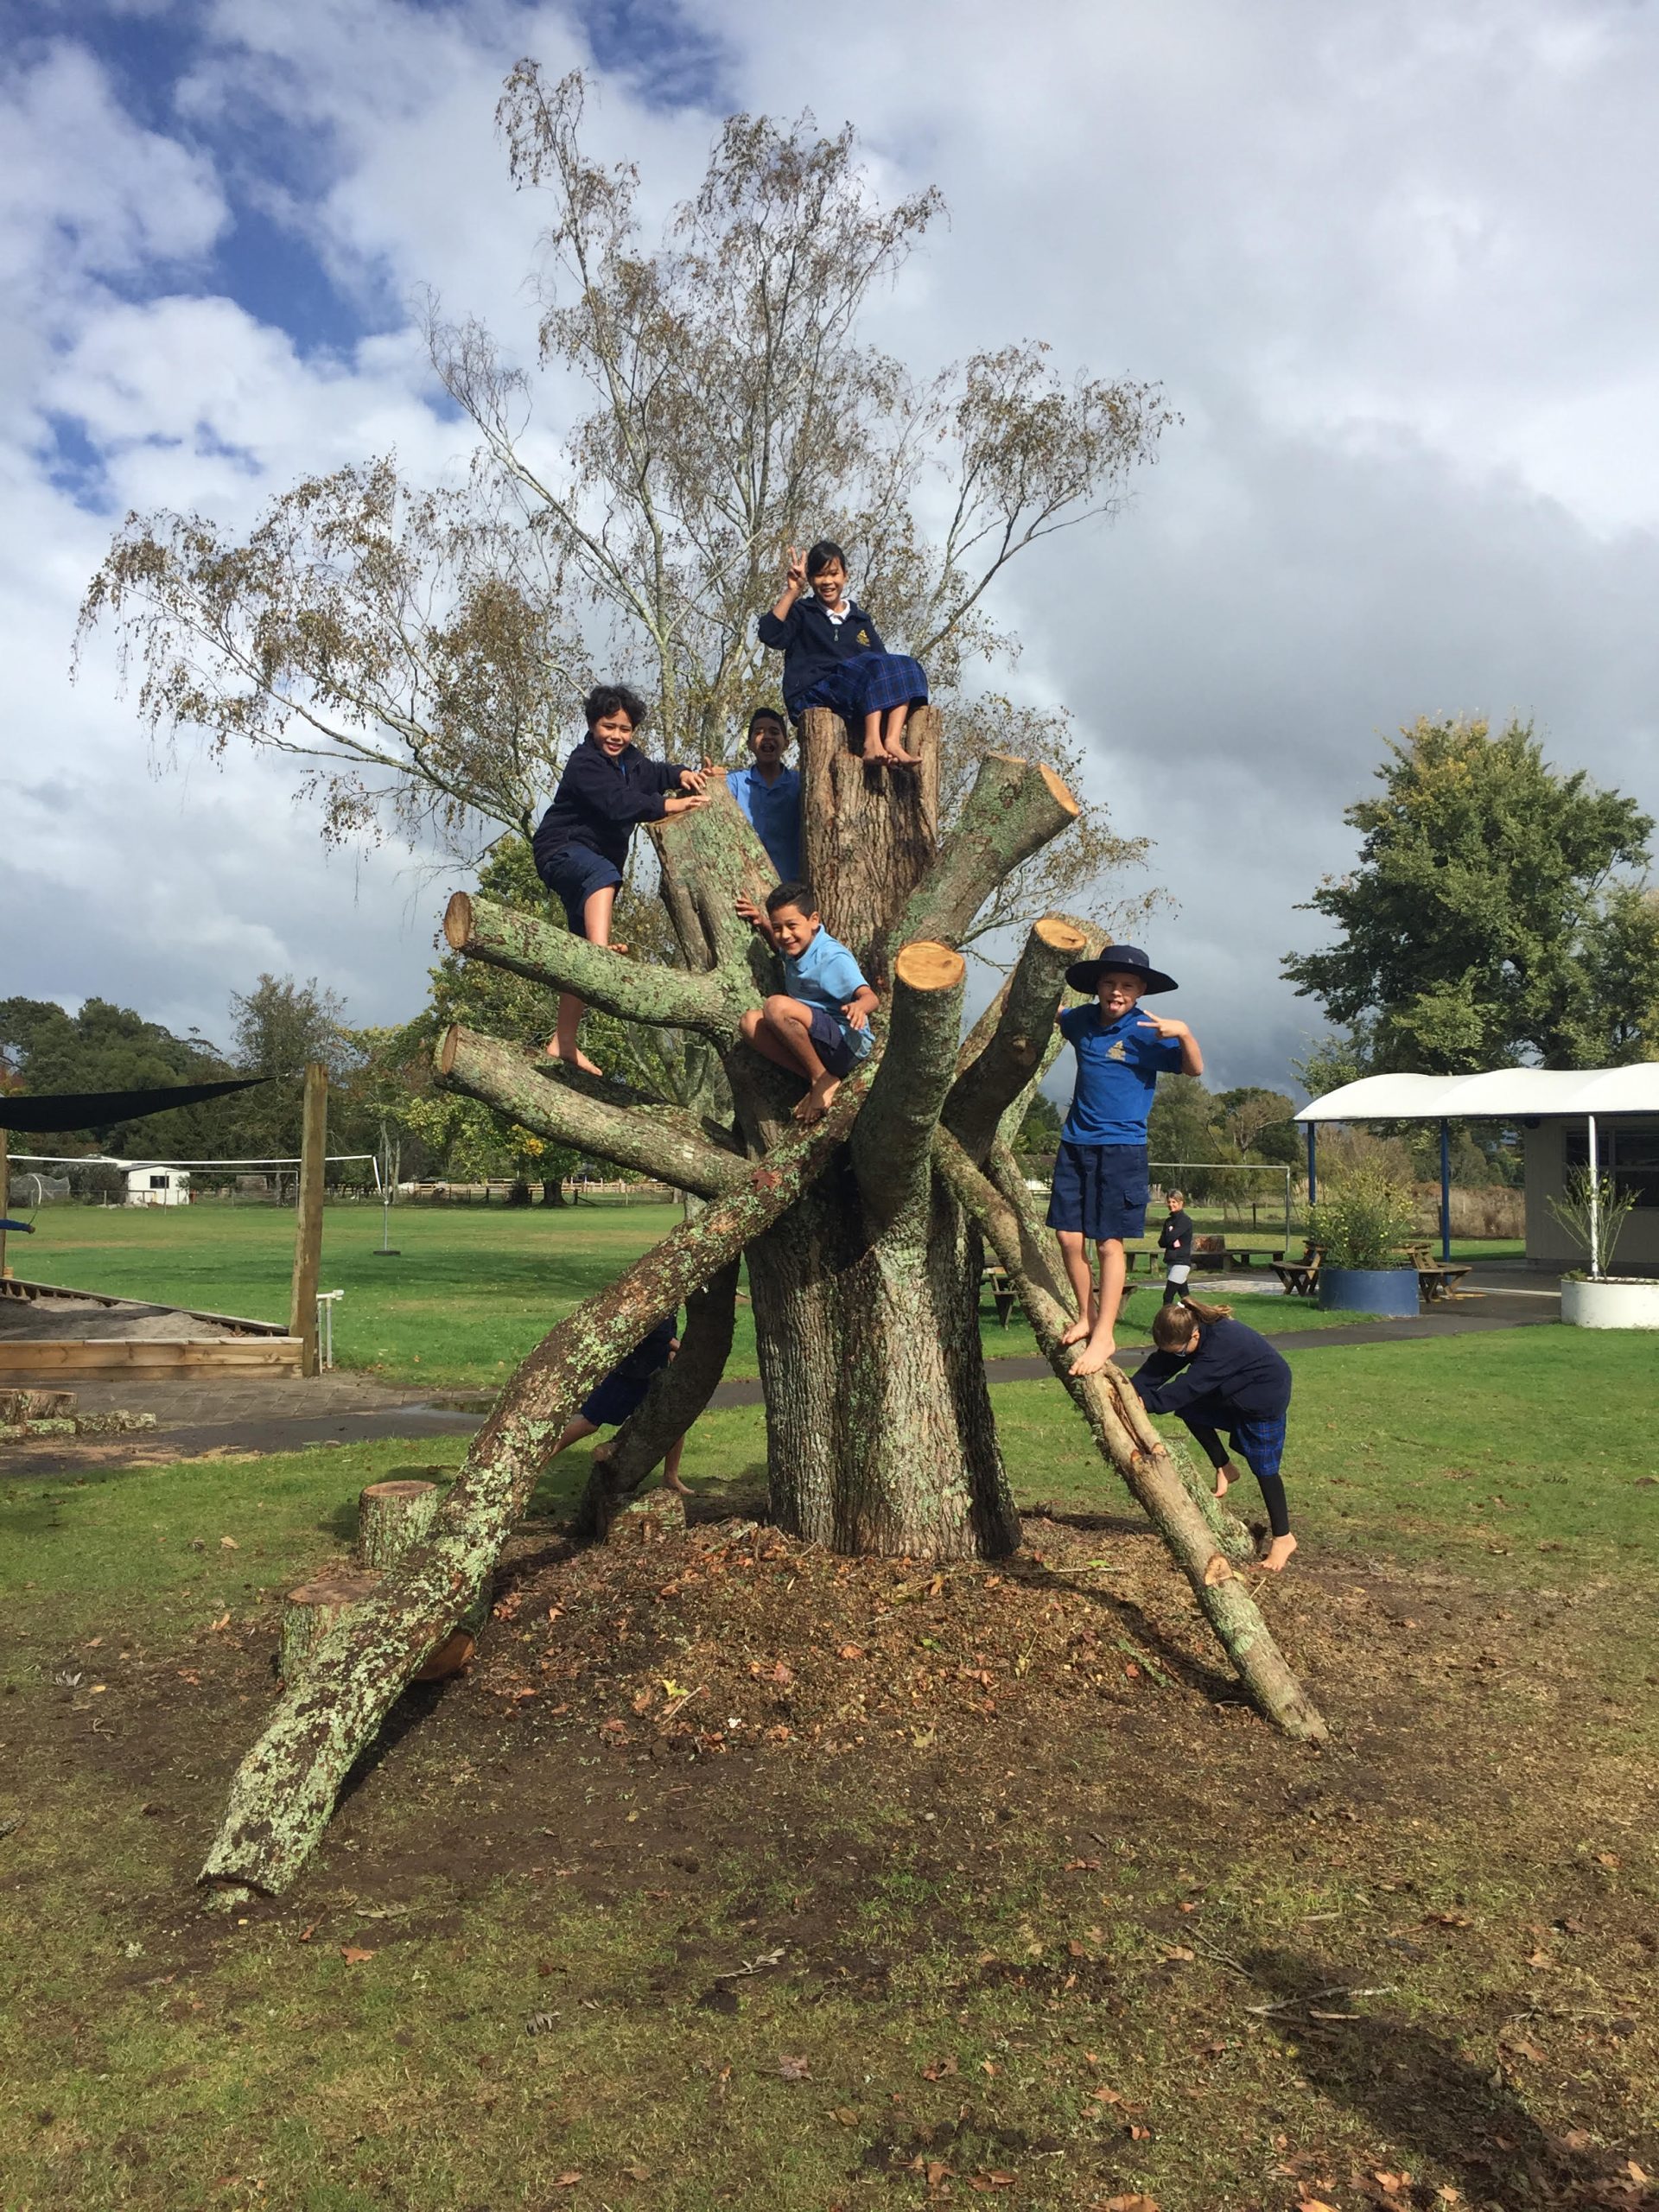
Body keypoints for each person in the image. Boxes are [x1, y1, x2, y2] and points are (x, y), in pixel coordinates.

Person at [531, 684, 709, 1074]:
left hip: (592, 858)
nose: (616, 736)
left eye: (624, 729)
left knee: (579, 941)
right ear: (593, 725)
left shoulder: (635, 763)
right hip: (562, 848)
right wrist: (668, 803)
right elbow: (618, 803)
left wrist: (683, 774)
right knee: (603, 875)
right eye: (608, 726)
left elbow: (658, 772)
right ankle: (600, 954)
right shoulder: (585, 764)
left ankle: (563, 1040)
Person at [1047, 944, 1203, 1376]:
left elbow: (1194, 1069)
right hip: (1075, 1143)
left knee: (1108, 1244)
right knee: (1067, 1238)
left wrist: (1185, 1033)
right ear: (1097, 986)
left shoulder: (1146, 1032)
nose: (1117, 991)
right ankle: (1088, 1316)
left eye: (1128, 985)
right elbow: (1058, 1015)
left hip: (1122, 1149)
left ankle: (1105, 1337)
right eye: (1110, 983)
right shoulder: (1080, 1021)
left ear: (1141, 992)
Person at [1131, 1297, 1297, 1571]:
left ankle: (1284, 1537)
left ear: (1194, 1335)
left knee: (1265, 1468)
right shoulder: (1189, 1331)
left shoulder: (1222, 1343)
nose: (1179, 1357)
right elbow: (1162, 1365)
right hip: (1234, 1387)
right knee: (1190, 1410)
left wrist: (1147, 1404)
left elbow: (1190, 1386)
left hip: (1264, 1397)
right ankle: (1224, 1466)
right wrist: (1132, 1390)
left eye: (1182, 1352)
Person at [756, 541, 927, 766]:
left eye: (833, 574)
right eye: (819, 575)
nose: (827, 581)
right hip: (813, 692)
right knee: (873, 666)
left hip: (852, 693)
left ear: (845, 575)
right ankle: (871, 743)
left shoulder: (860, 619)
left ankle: (892, 740)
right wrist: (793, 591)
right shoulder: (802, 613)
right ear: (810, 579)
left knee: (907, 666)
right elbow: (770, 634)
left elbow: (886, 669)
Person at [733, 879, 878, 1122]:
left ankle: (820, 1079)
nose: (785, 935)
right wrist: (763, 923)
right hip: (817, 1041)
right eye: (779, 928)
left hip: (846, 1044)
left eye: (791, 925)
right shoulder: (796, 947)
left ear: (814, 920)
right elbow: (780, 942)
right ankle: (819, 1079)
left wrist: (858, 1007)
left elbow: (870, 997)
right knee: (749, 1022)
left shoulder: (831, 957)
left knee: (775, 1006)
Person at [545, 1312, 690, 1496]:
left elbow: (669, 1331)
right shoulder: (656, 1293)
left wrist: (673, 1354)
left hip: (654, 1371)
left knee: (677, 1420)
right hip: (628, 1373)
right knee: (589, 1423)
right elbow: (656, 1331)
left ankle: (671, 1477)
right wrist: (682, 1348)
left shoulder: (673, 1298)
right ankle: (539, 1460)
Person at [726, 707, 803, 880]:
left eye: (774, 732)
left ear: (787, 743)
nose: (767, 736)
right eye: (759, 732)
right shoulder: (735, 783)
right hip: (746, 884)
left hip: (790, 887)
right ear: (750, 744)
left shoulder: (800, 784)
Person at [1158, 1187, 1196, 1305]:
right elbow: (1162, 1243)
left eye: (1174, 1202)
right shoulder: (1168, 1221)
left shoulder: (1185, 1220)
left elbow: (1168, 1238)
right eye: (1169, 1202)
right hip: (1171, 1262)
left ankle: (1165, 1322)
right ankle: (1198, 1319)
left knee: (1168, 1296)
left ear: (1181, 1203)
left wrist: (1169, 1234)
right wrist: (1170, 1235)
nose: (1171, 1205)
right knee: (1186, 1298)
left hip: (1181, 1264)